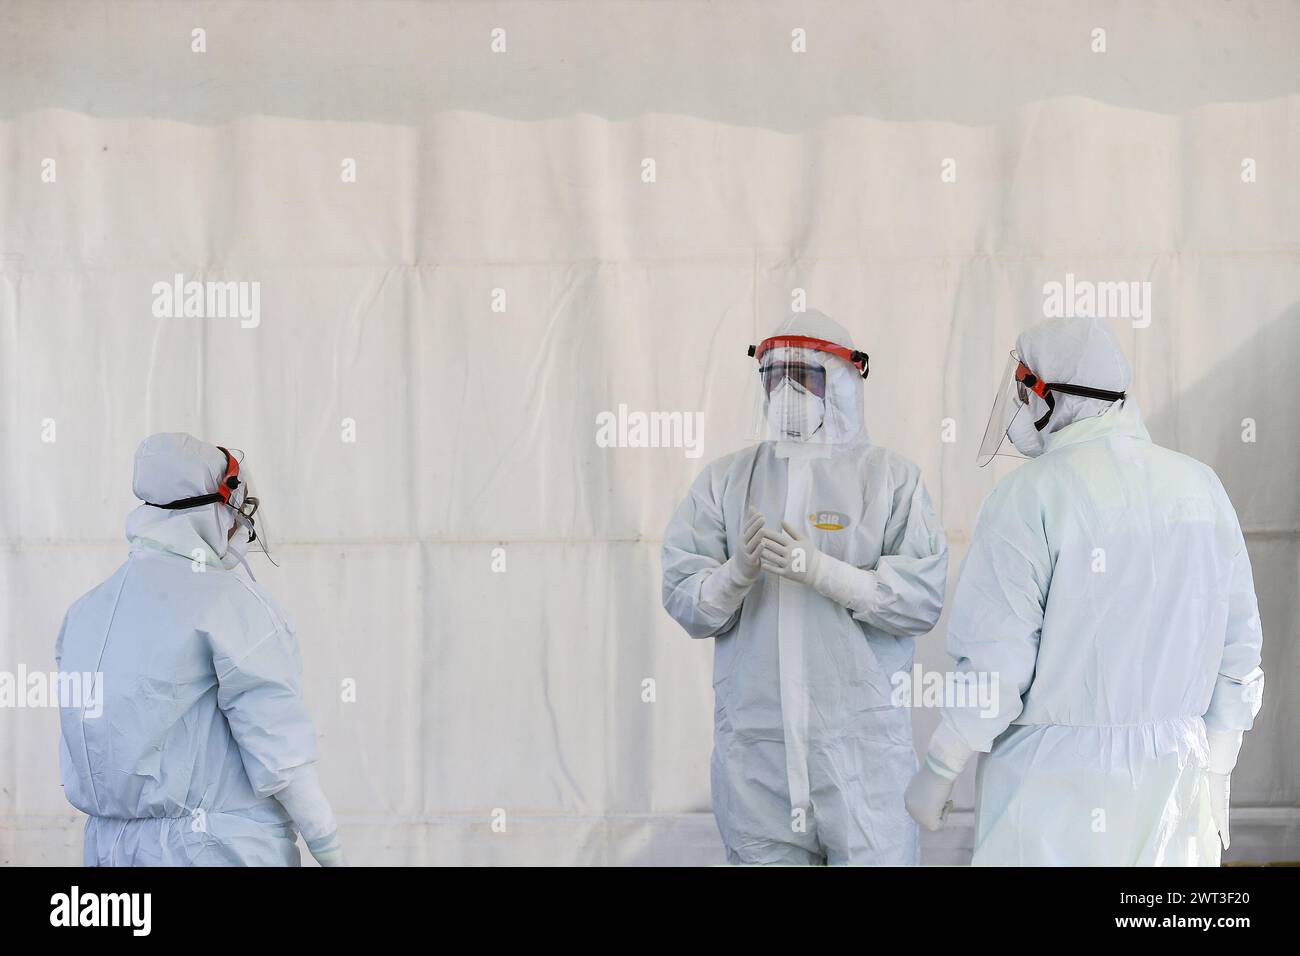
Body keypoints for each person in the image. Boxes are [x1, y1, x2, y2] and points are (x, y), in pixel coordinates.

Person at [905, 317, 1265, 865]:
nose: (1021, 409)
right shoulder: (1200, 488)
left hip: (1052, 790)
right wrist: (1219, 761)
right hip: (1175, 781)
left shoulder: (1028, 498)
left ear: (1049, 397)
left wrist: (939, 768)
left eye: (1025, 393)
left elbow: (996, 668)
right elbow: (1239, 649)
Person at [662, 310, 948, 865]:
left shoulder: (890, 478)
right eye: (774, 376)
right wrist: (735, 574)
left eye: (805, 375)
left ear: (841, 380)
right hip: (758, 759)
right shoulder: (727, 481)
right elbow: (684, 599)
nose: (787, 391)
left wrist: (823, 572)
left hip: (861, 759)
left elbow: (922, 601)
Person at [56, 433, 344, 866]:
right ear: (217, 506)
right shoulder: (230, 603)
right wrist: (330, 847)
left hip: (109, 852)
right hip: (215, 851)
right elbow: (281, 757)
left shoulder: (85, 613)